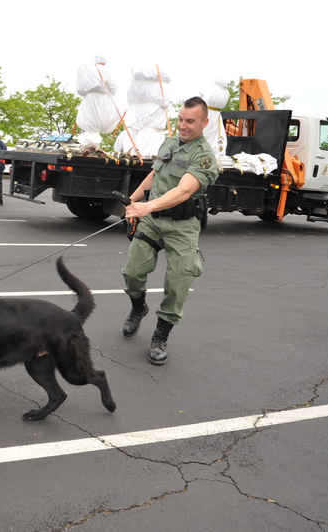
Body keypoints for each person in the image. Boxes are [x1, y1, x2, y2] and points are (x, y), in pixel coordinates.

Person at [121, 96, 218, 365]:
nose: (183, 126)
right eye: (180, 119)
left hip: (182, 227)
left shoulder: (205, 157)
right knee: (132, 272)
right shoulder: (170, 143)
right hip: (153, 220)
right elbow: (155, 174)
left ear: (204, 123)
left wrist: (146, 207)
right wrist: (134, 199)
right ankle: (138, 308)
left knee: (177, 284)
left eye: (190, 121)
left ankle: (160, 336)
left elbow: (184, 190)